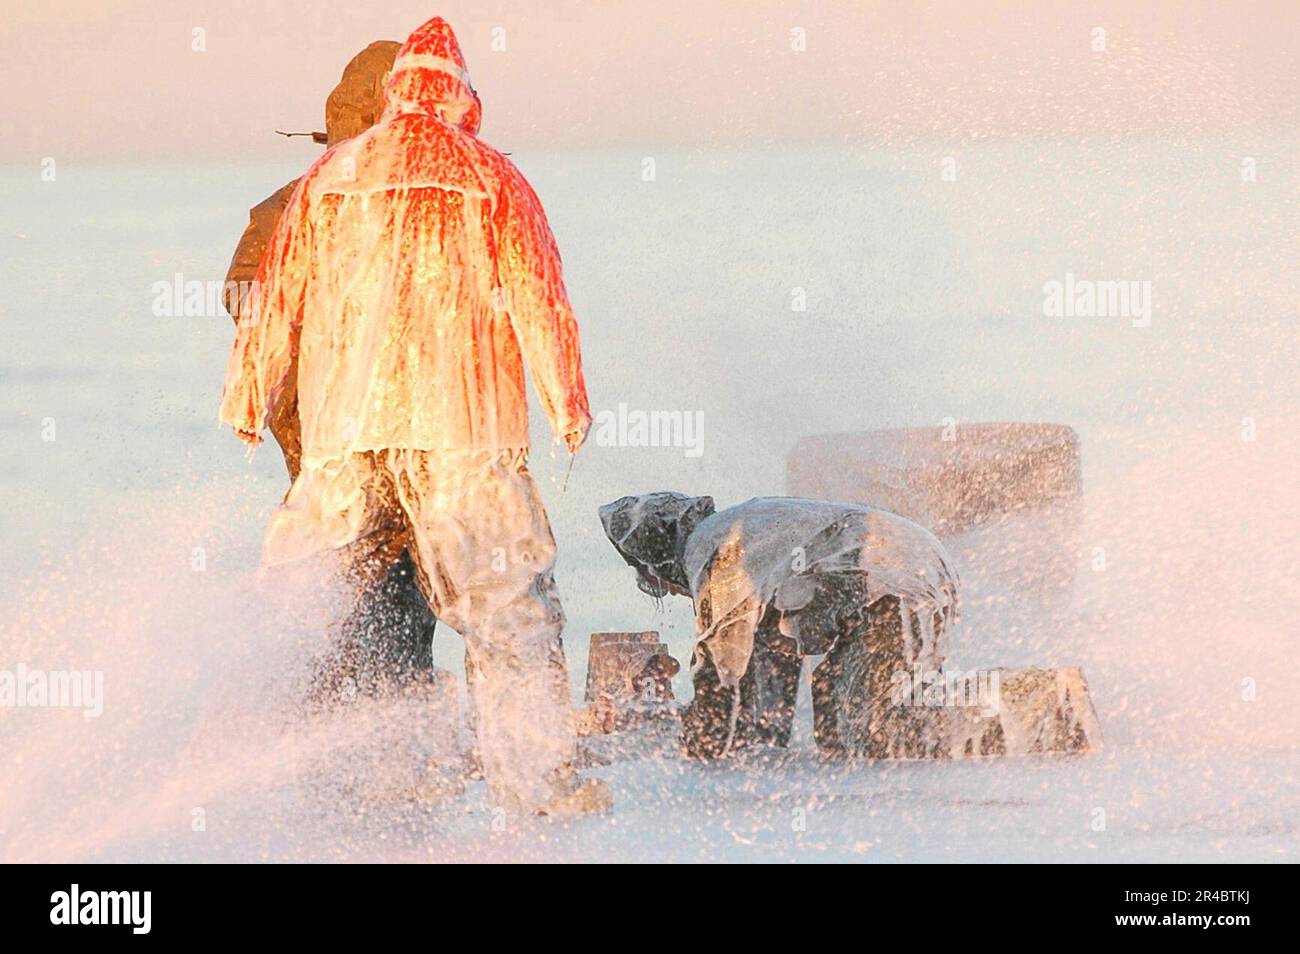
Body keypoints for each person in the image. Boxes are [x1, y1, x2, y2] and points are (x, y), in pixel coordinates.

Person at [220, 16, 608, 816]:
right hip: (462, 429)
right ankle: (532, 784)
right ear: (465, 95)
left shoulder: (324, 182)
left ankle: (255, 776)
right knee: (508, 610)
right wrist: (569, 406)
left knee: (301, 602)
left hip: (342, 438)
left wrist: (245, 401)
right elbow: (542, 299)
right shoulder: (494, 176)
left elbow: (271, 303)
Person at [223, 40, 441, 709]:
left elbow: (243, 310)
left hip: (349, 454)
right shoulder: (314, 208)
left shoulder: (293, 206)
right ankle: (372, 761)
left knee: (355, 609)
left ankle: (351, 755)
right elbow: (252, 311)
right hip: (355, 452)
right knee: (375, 614)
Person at [598, 493, 960, 760]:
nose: (674, 593)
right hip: (912, 566)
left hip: (902, 580)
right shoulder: (738, 534)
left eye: (659, 583)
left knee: (860, 721)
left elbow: (721, 667)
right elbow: (768, 660)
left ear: (656, 559)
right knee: (838, 707)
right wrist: (752, 738)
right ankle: (962, 736)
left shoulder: (714, 549)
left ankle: (990, 727)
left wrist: (696, 745)